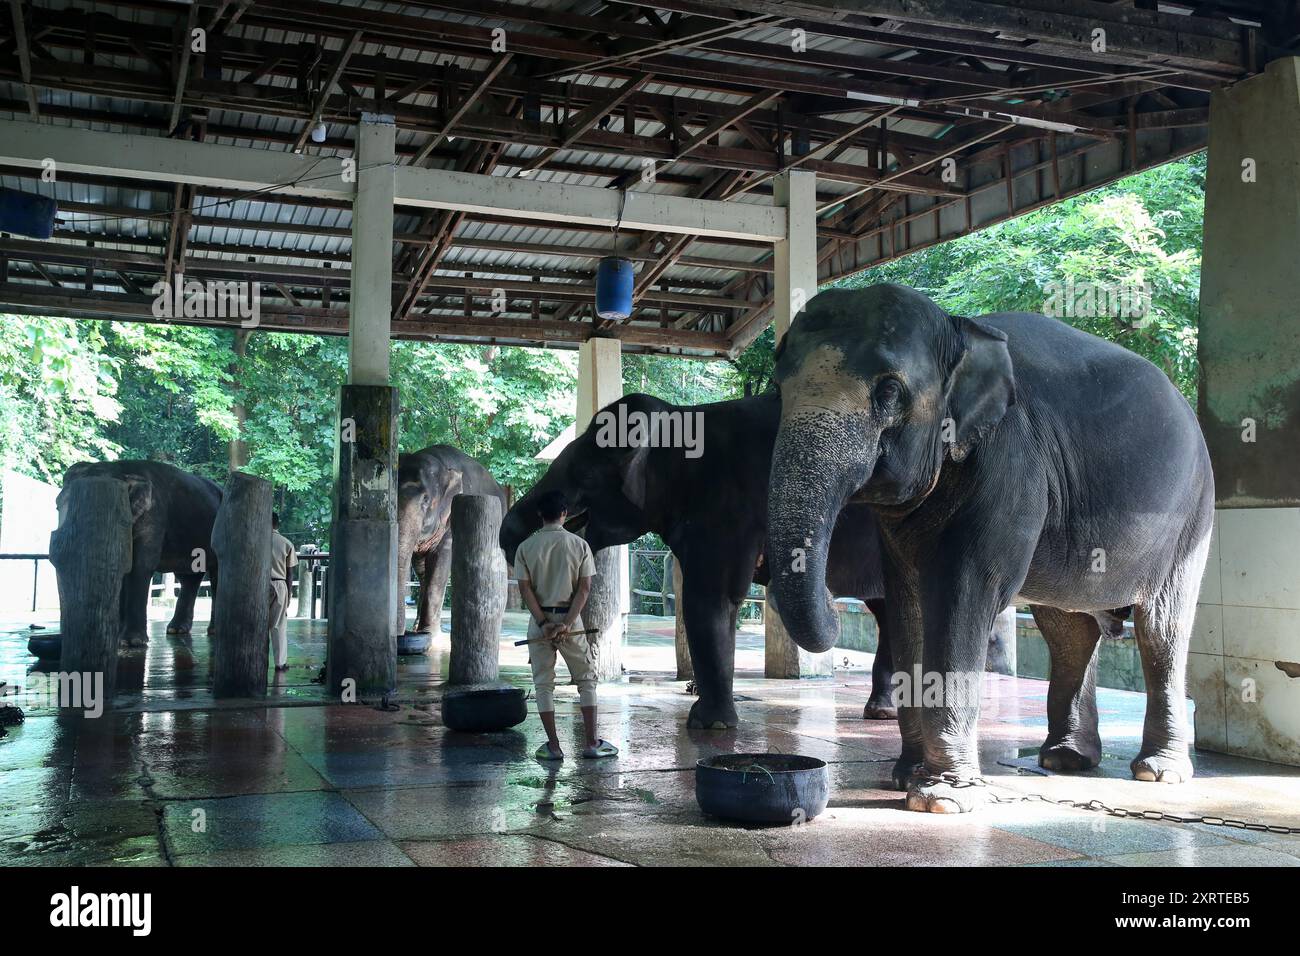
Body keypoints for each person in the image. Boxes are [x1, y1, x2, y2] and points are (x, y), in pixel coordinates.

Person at [513, 489, 618, 761]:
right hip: (573, 622)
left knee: (543, 685)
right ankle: (592, 743)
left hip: (540, 624)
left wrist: (545, 624)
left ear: (540, 515)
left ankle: (554, 746)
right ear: (565, 514)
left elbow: (525, 591)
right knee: (586, 681)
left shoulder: (526, 547)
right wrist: (567, 624)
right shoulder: (579, 545)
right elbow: (584, 589)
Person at [268, 512, 297, 672]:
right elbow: (290, 573)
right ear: (277, 524)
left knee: (257, 625)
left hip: (258, 585)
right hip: (279, 584)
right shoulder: (286, 543)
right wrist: (289, 593)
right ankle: (280, 663)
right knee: (278, 625)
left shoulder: (257, 541)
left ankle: (257, 659)